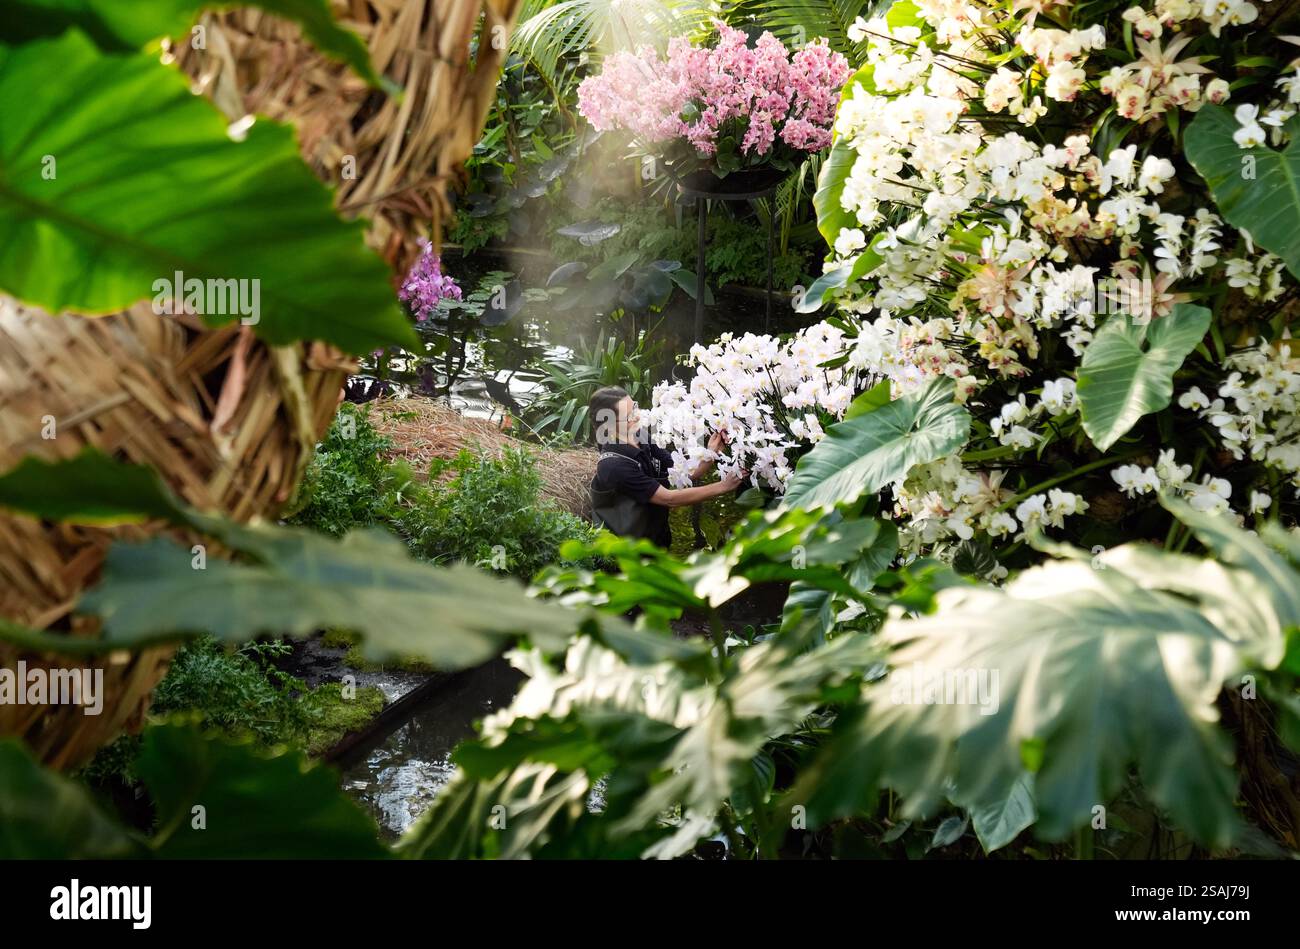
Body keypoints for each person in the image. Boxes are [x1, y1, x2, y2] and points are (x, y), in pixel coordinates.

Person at [588, 385, 744, 547]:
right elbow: (669, 498)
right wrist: (723, 486)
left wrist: (711, 454)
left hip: (657, 538)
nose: (637, 416)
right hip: (628, 554)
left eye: (635, 408)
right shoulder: (614, 465)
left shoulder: (640, 436)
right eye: (629, 416)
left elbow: (680, 472)